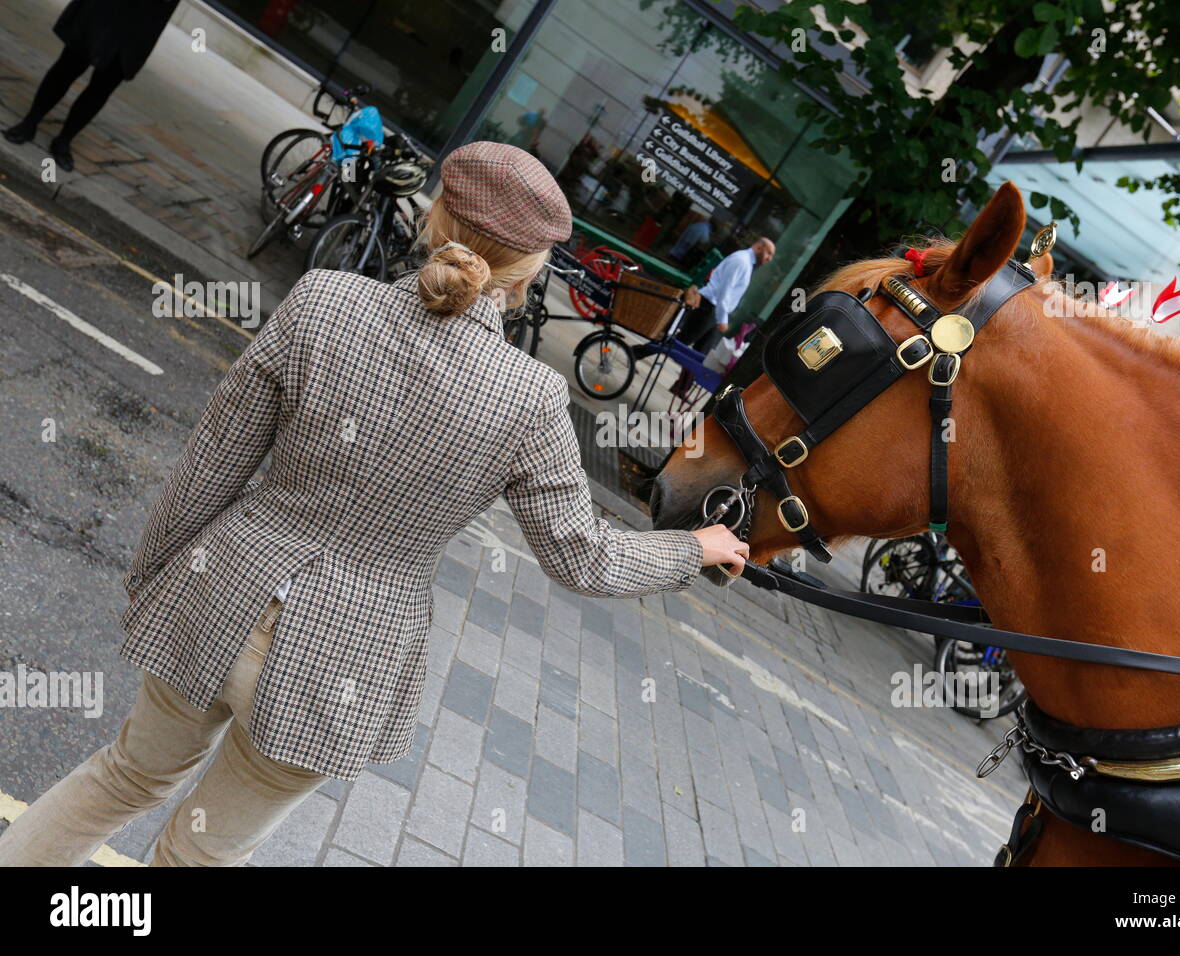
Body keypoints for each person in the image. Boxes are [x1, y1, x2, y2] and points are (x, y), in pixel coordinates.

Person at [0, 142, 748, 867]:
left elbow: (212, 461)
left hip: (218, 590)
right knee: (204, 853)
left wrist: (152, 577)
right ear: (527, 274)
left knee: (122, 778)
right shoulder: (532, 398)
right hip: (343, 661)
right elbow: (582, 558)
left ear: (433, 221)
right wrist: (696, 548)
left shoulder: (325, 300)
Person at [3, 0, 180, 172]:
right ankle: (30, 122)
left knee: (103, 85)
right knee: (69, 65)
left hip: (145, 20)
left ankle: (64, 140)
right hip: (107, 8)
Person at [677, 237, 775, 355]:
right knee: (679, 343)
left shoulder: (746, 263)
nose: (770, 259)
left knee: (700, 355)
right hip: (708, 308)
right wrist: (722, 319)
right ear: (759, 247)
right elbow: (724, 291)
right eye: (769, 253)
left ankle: (689, 373)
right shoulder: (742, 261)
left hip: (713, 310)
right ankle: (648, 350)